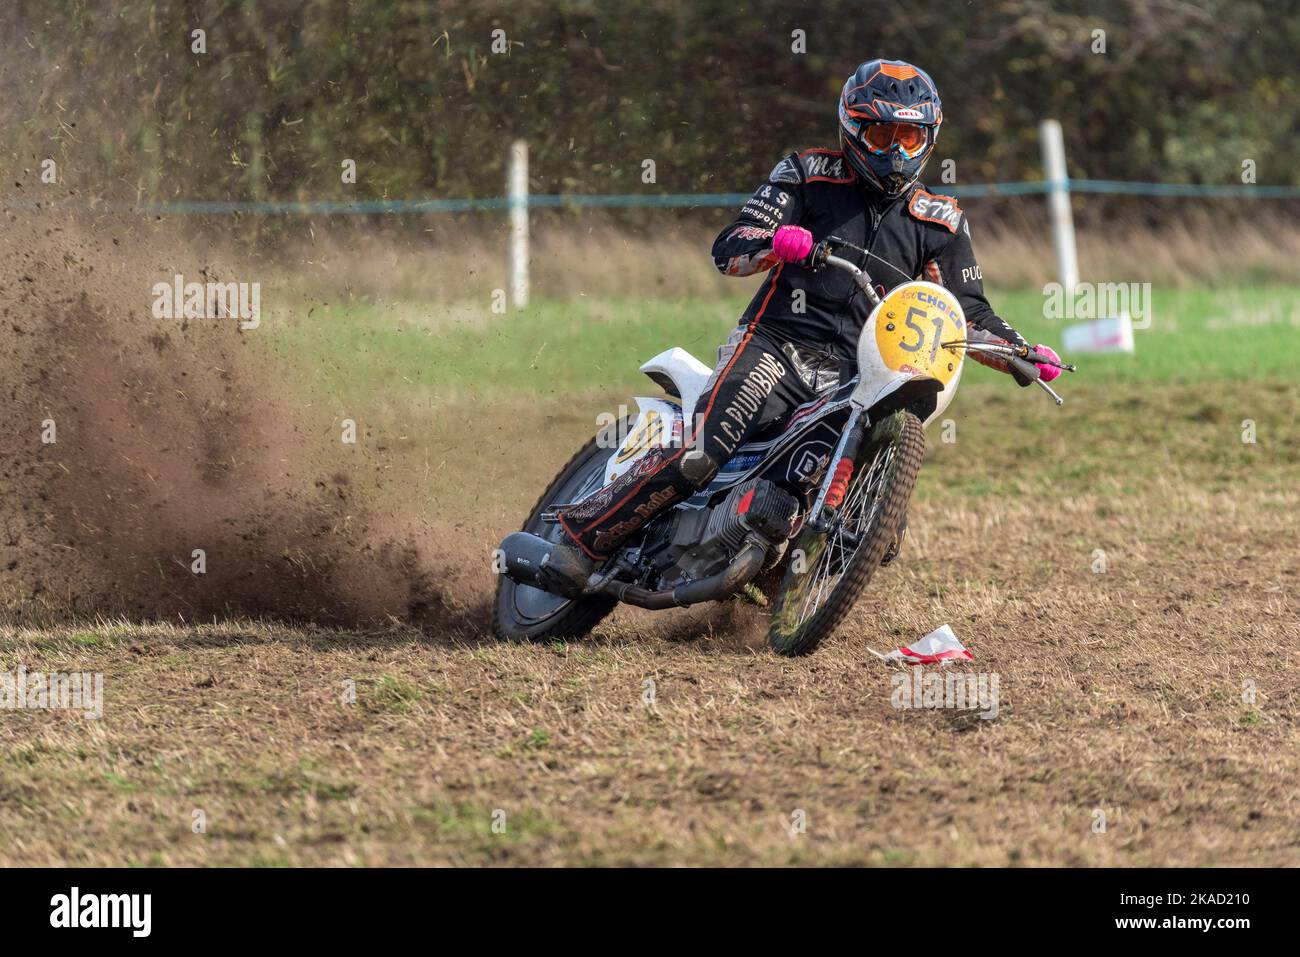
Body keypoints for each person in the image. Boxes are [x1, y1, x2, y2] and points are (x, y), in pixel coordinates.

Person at [541, 58, 1061, 596]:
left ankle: (773, 582)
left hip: (859, 375)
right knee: (707, 449)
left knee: (882, 533)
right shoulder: (808, 174)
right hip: (775, 348)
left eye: (910, 136)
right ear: (853, 128)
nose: (895, 151)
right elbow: (730, 247)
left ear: (929, 136)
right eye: (881, 133)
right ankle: (583, 539)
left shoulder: (941, 219)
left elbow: (968, 313)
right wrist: (776, 242)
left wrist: (1022, 352)